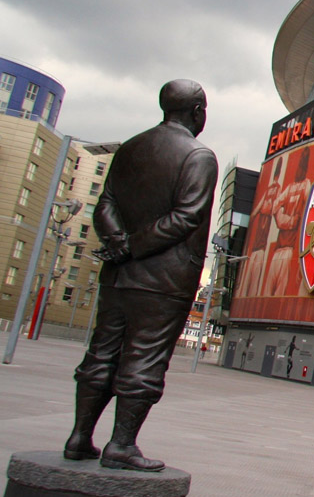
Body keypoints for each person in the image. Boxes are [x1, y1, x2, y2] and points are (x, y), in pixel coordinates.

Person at [64, 79, 218, 472]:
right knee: (144, 359)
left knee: (101, 353)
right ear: (198, 111)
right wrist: (133, 245)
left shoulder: (131, 148)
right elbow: (187, 217)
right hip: (163, 281)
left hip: (118, 274)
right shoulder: (199, 156)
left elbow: (107, 203)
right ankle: (121, 444)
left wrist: (117, 242)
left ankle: (80, 436)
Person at [263, 149, 311, 295]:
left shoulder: (305, 185)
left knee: (277, 295)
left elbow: (310, 206)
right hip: (280, 248)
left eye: (302, 164)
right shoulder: (291, 187)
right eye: (299, 165)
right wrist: (287, 221)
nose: (299, 169)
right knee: (269, 294)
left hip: (290, 249)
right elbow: (274, 207)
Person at [240, 160, 282, 297]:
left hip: (259, 249)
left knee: (249, 291)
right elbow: (268, 209)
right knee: (250, 290)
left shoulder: (272, 189)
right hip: (258, 249)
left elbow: (259, 211)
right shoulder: (274, 189)